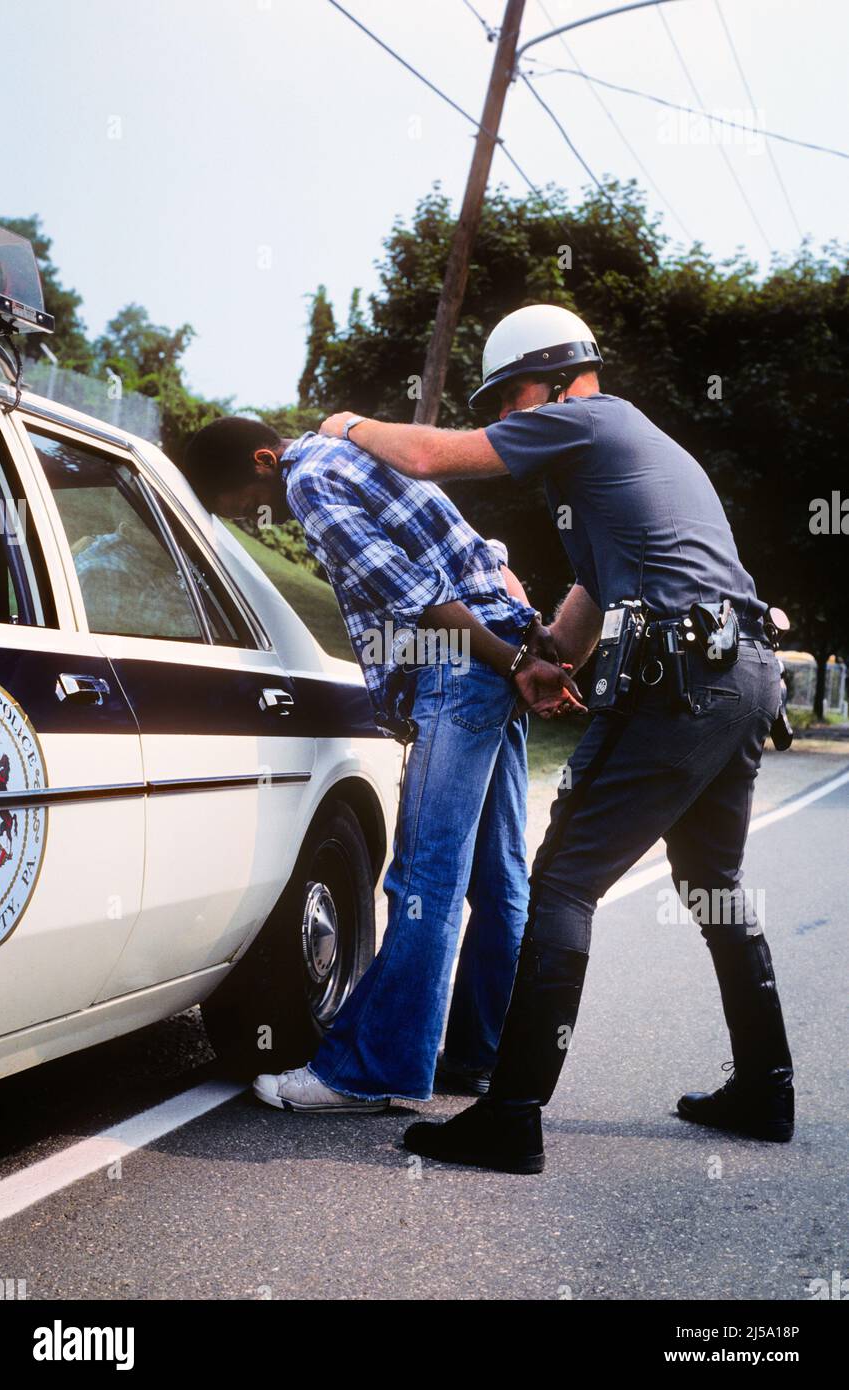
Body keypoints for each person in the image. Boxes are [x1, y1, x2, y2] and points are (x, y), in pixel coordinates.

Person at [318, 303, 794, 1173]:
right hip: (746, 670)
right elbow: (591, 589)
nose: (505, 417)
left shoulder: (589, 419)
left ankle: (512, 1114)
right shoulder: (618, 453)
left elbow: (427, 455)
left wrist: (344, 423)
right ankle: (766, 1087)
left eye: (511, 397)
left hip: (683, 676)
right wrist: (545, 659)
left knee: (563, 880)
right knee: (711, 882)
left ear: (561, 378)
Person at [180, 416, 582, 1114]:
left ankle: (372, 1070)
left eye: (246, 504)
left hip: (464, 667)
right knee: (498, 877)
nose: (259, 518)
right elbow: (485, 558)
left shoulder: (308, 480)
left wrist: (513, 661)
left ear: (263, 459)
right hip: (495, 653)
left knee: (424, 876)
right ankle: (477, 1058)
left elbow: (418, 599)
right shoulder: (356, 451)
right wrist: (525, 646)